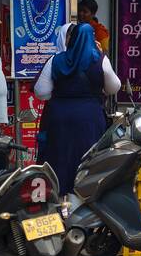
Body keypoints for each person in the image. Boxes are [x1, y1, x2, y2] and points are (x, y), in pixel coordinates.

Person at [35, 22, 121, 193]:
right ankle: (83, 195)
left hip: (59, 118)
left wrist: (60, 95)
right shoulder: (100, 60)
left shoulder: (55, 60)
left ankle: (58, 197)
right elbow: (114, 87)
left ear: (71, 39)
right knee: (88, 159)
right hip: (89, 118)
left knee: (58, 158)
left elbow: (41, 92)